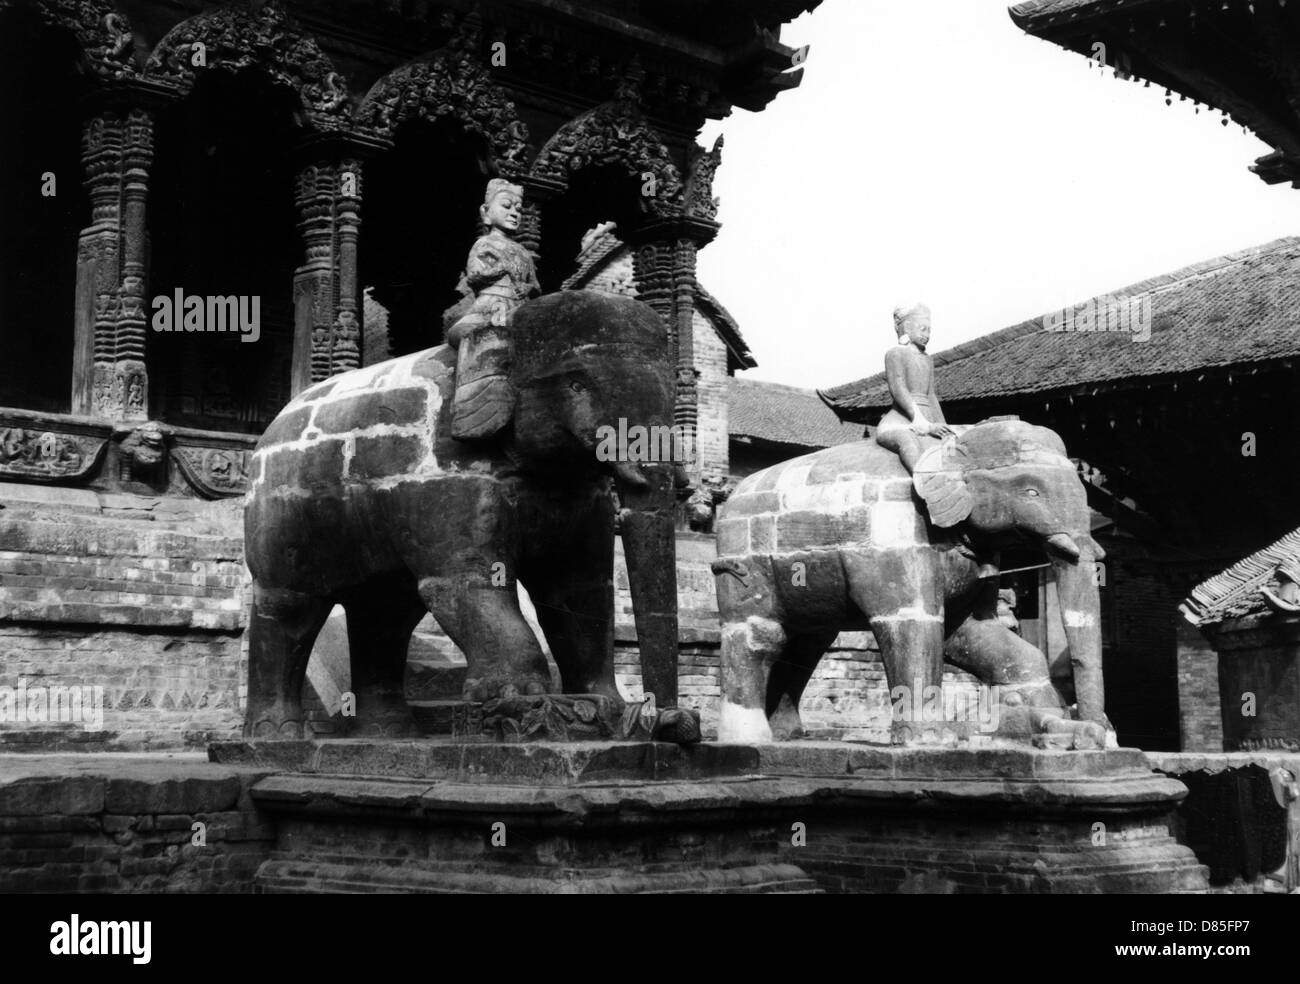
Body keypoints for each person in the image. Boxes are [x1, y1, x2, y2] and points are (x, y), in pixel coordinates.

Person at [447, 178, 540, 440]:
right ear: (486, 213)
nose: (514, 213)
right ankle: (475, 410)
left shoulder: (523, 251)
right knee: (491, 336)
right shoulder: (484, 244)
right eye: (507, 206)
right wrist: (503, 269)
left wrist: (527, 288)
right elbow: (475, 276)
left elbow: (535, 284)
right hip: (492, 304)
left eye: (518, 209)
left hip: (520, 305)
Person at [874, 302, 952, 472]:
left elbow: (931, 395)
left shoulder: (927, 359)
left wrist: (943, 424)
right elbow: (899, 390)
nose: (927, 335)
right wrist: (922, 422)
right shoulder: (895, 354)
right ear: (908, 327)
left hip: (927, 415)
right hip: (900, 420)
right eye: (922, 329)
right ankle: (923, 481)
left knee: (951, 442)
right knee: (908, 442)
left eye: (929, 330)